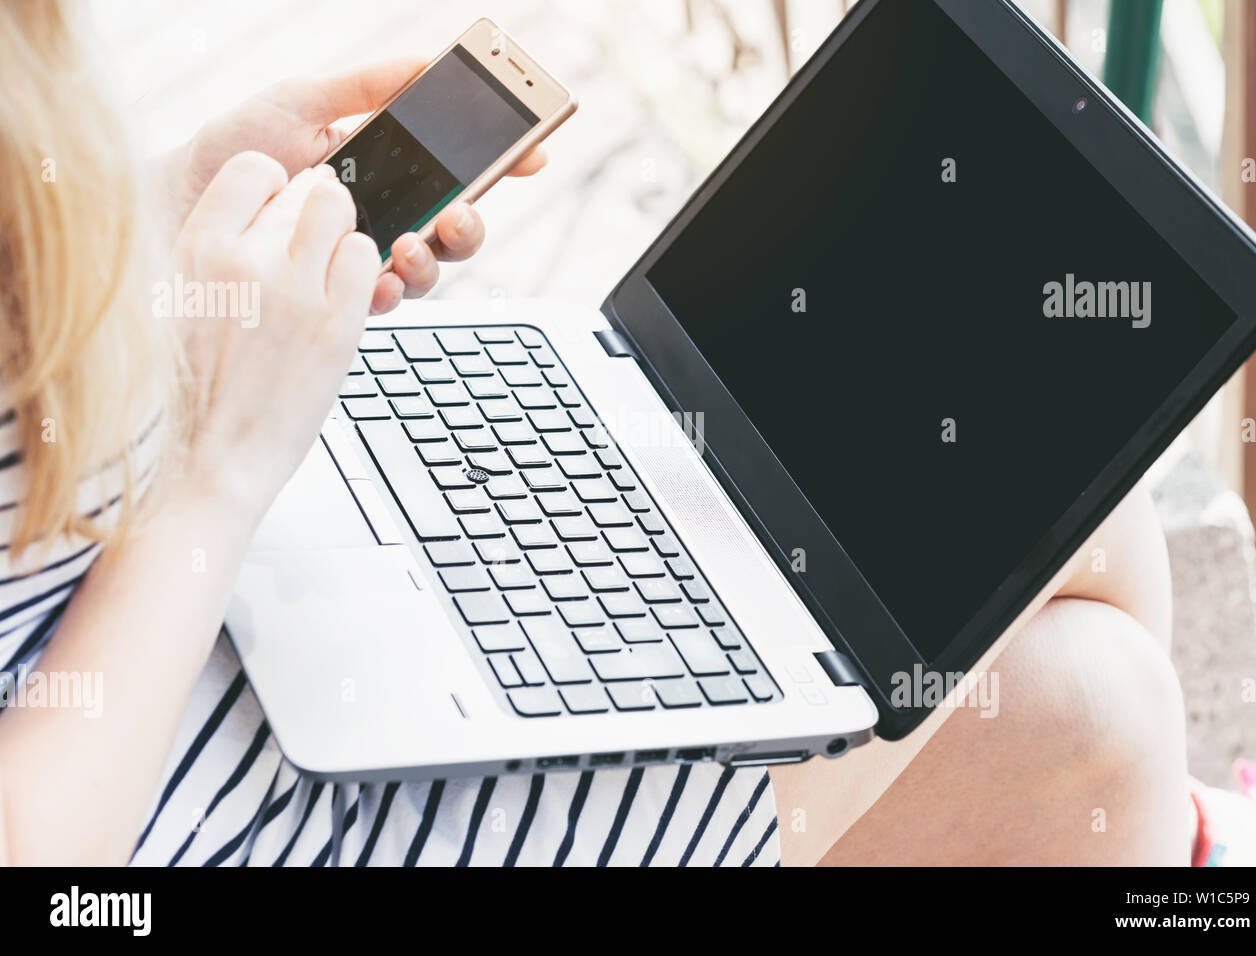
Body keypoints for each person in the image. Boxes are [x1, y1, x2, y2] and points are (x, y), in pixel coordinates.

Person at [0, 1, 1190, 866]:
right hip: (160, 761)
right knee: (1096, 710)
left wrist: (145, 236)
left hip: (138, 559)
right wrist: (214, 474)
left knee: (1080, 520)